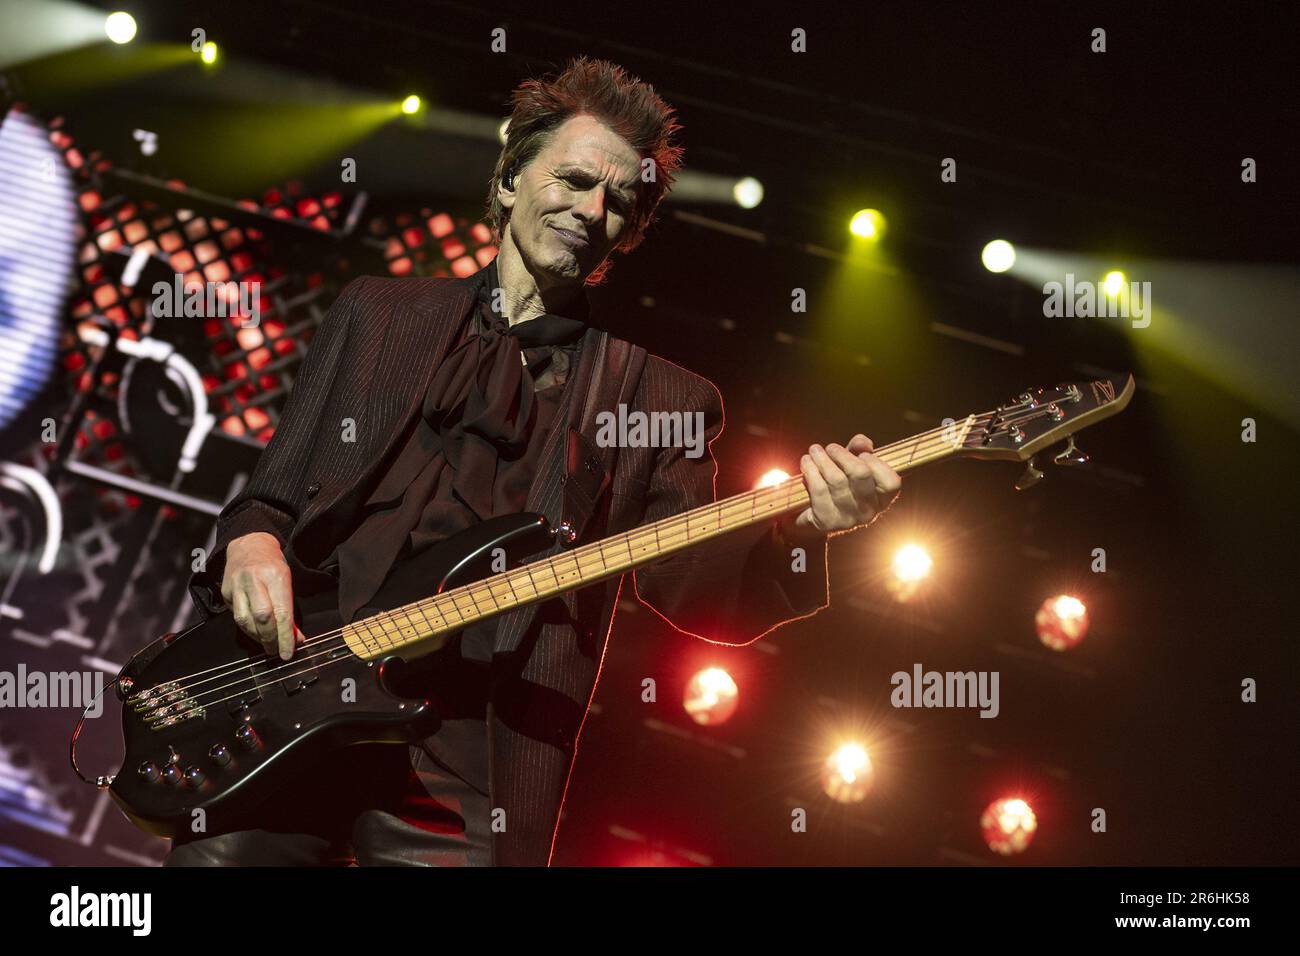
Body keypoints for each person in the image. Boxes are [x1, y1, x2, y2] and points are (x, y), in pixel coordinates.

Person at [165, 57, 900, 867]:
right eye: (576, 178)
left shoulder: (654, 399)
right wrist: (253, 542)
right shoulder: (375, 314)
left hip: (465, 771)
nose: (591, 209)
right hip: (286, 706)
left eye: (619, 200)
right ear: (511, 177)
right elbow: (266, 502)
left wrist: (809, 531)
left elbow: (696, 586)